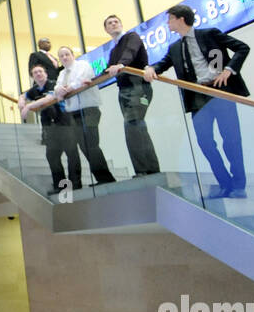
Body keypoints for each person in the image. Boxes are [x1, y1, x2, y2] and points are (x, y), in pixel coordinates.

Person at [144, 4, 251, 199]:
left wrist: (229, 69)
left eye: (170, 19)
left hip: (219, 92)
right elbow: (162, 64)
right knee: (205, 142)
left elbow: (242, 48)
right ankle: (224, 184)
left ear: (180, 19)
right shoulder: (175, 47)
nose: (168, 24)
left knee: (231, 140)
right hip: (196, 98)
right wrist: (151, 68)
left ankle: (238, 185)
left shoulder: (209, 34)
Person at [95, 15, 161, 177]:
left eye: (116, 21)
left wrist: (121, 65)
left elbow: (130, 53)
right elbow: (109, 69)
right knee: (137, 127)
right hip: (123, 90)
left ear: (121, 24)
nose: (113, 24)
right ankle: (151, 169)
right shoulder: (113, 49)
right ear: (106, 30)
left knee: (132, 124)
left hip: (138, 86)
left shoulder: (132, 37)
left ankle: (143, 170)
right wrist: (90, 81)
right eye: (109, 23)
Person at [53, 45, 116, 185]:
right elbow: (57, 87)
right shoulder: (62, 74)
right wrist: (60, 90)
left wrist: (66, 90)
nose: (64, 57)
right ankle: (102, 178)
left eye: (66, 54)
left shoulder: (83, 65)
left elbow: (80, 81)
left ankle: (106, 179)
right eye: (61, 56)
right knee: (84, 146)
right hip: (73, 112)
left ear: (72, 55)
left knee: (90, 144)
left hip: (88, 110)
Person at [20, 63, 80, 194]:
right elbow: (24, 95)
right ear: (33, 77)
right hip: (49, 127)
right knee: (52, 156)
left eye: (40, 71)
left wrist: (28, 107)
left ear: (45, 73)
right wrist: (21, 101)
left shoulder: (53, 84)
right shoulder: (34, 90)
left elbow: (49, 98)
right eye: (35, 73)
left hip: (64, 123)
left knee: (72, 154)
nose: (38, 74)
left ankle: (75, 184)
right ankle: (60, 186)